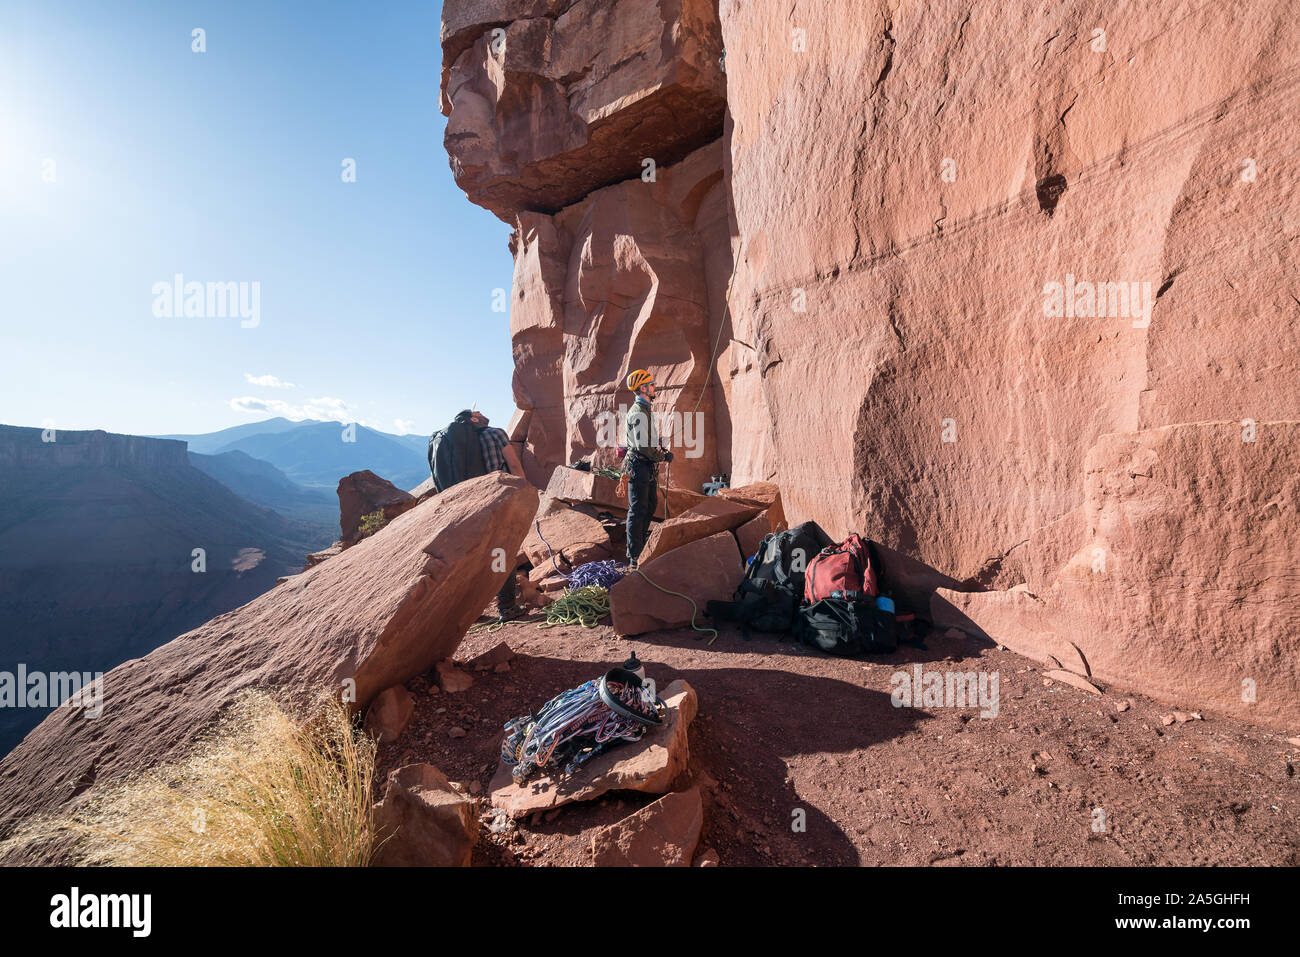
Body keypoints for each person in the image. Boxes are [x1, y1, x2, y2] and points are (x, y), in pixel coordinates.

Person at [432, 409, 528, 617]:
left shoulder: (459, 443)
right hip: (498, 499)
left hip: (469, 504)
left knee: (473, 556)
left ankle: (469, 612)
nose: (484, 413)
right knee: (503, 550)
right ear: (474, 419)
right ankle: (507, 606)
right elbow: (513, 463)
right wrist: (524, 491)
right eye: (478, 412)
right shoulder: (496, 433)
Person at [622, 370, 673, 569]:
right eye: (651, 384)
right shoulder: (637, 412)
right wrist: (662, 456)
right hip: (638, 467)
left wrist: (657, 448)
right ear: (643, 388)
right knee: (637, 510)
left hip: (646, 466)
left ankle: (640, 547)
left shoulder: (645, 410)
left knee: (649, 506)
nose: (654, 387)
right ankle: (635, 555)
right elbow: (642, 445)